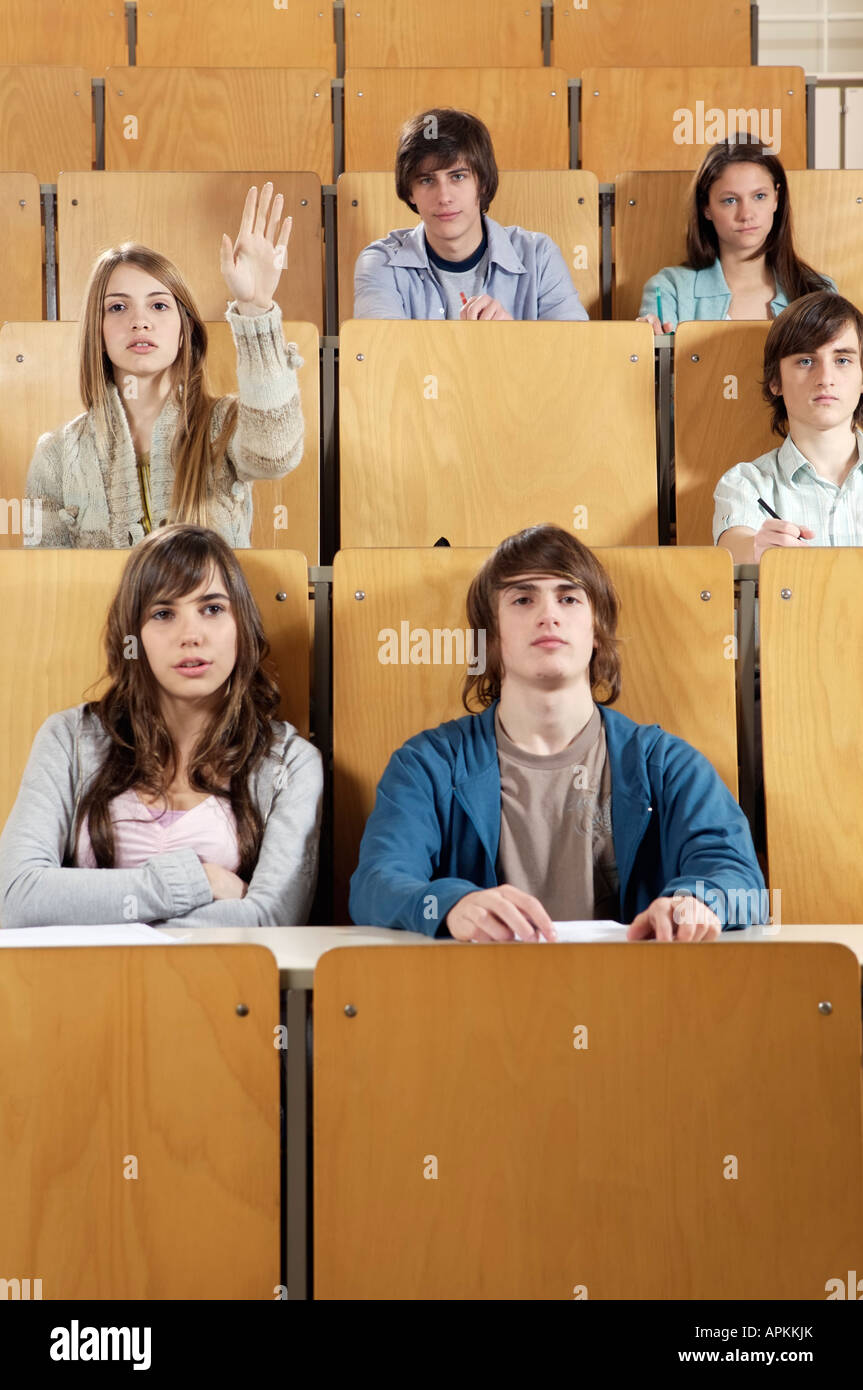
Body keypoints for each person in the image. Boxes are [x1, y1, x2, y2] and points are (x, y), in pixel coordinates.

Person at [350, 525, 765, 941]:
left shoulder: (667, 764)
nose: (548, 615)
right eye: (523, 598)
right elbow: (374, 886)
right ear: (491, 639)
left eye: (568, 598)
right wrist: (450, 904)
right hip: (476, 997)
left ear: (597, 631)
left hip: (634, 997)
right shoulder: (427, 765)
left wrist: (697, 901)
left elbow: (744, 883)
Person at [0, 524, 322, 928]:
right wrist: (197, 881)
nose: (191, 635)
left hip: (223, 988)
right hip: (78, 988)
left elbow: (270, 921)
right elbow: (14, 899)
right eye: (164, 613)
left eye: (212, 608)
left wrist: (89, 912)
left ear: (241, 626)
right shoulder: (69, 739)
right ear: (133, 635)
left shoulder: (289, 762)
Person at [25, 184, 304, 549]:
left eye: (158, 306)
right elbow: (47, 587)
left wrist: (254, 308)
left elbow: (276, 454)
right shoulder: (54, 455)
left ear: (185, 329)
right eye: (118, 307)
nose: (140, 322)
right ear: (98, 330)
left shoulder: (226, 422)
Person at [354, 108, 588, 322]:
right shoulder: (380, 263)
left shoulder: (539, 256)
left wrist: (515, 339)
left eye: (458, 177)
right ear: (410, 192)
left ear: (483, 183)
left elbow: (574, 356)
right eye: (427, 180)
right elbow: (383, 361)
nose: (444, 197)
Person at [714, 291, 863, 562]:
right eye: (806, 361)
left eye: (842, 360)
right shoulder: (745, 483)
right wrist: (757, 549)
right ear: (776, 382)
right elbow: (733, 549)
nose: (825, 378)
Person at [637, 137, 835, 334]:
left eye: (759, 196)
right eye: (730, 200)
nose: (746, 215)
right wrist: (644, 346)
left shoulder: (818, 291)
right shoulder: (670, 289)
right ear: (706, 206)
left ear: (776, 197)